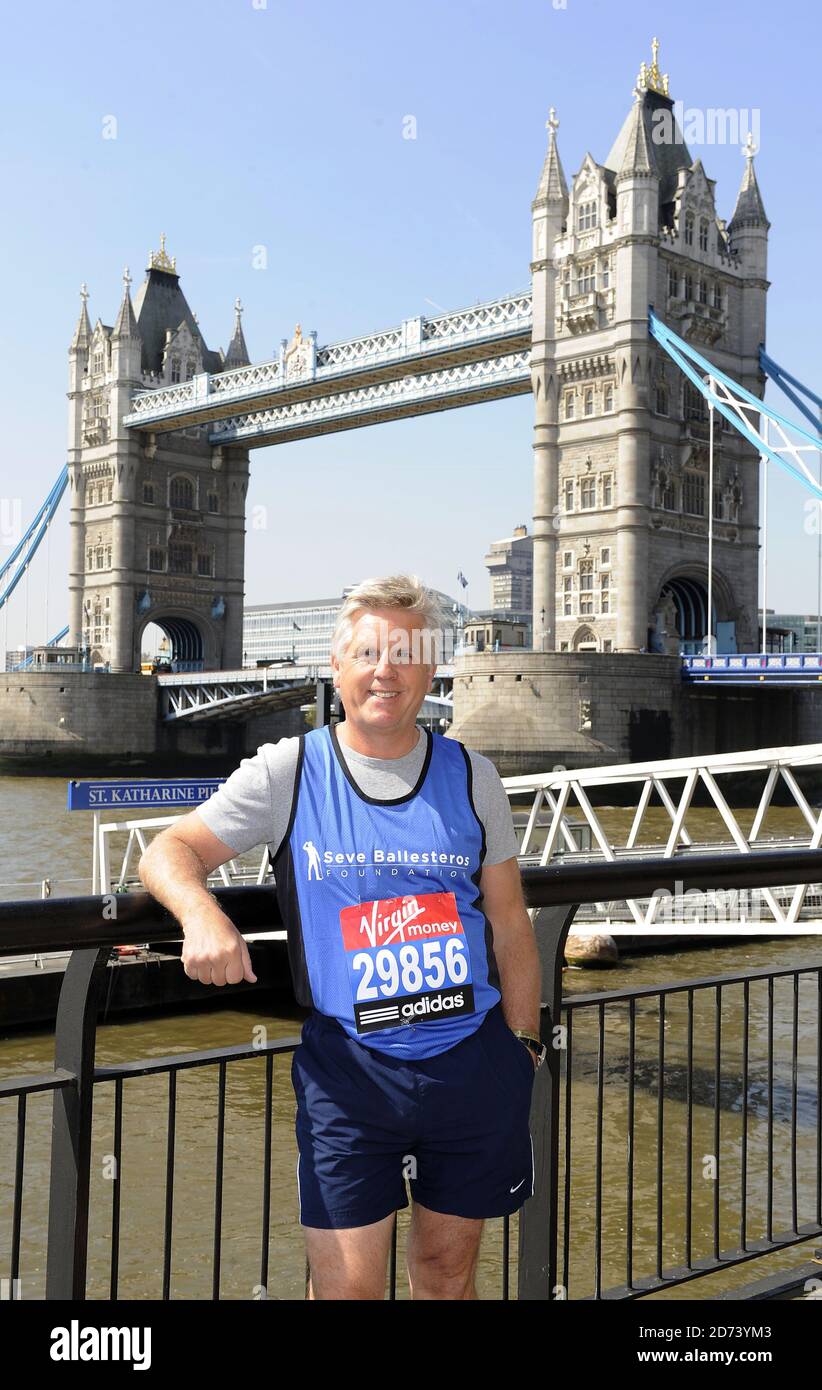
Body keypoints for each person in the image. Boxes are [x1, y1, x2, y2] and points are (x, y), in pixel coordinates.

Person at [138, 574, 544, 1300]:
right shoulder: (289, 771)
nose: (383, 669)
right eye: (366, 652)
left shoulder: (473, 776)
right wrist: (203, 915)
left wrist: (523, 1046)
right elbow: (169, 851)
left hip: (472, 1063)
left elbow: (509, 920)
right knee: (348, 1289)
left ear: (430, 669)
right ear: (338, 665)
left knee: (448, 1277)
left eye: (404, 652)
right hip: (352, 1073)